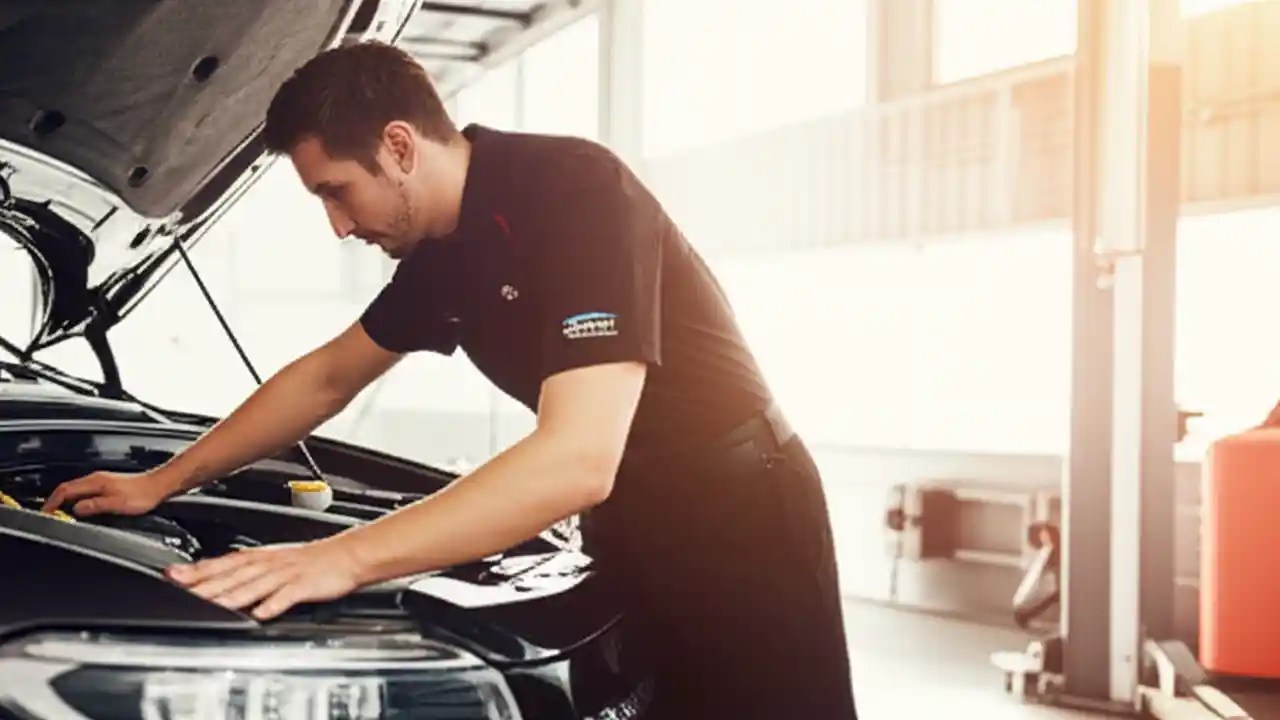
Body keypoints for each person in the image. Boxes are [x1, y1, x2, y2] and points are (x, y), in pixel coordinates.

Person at [42, 42, 857, 719]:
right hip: (628, 525)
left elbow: (579, 458)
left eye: (337, 192)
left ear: (399, 147)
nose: (339, 225)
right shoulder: (442, 259)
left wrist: (341, 558)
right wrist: (161, 481)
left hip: (740, 519)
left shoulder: (578, 192)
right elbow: (326, 377)